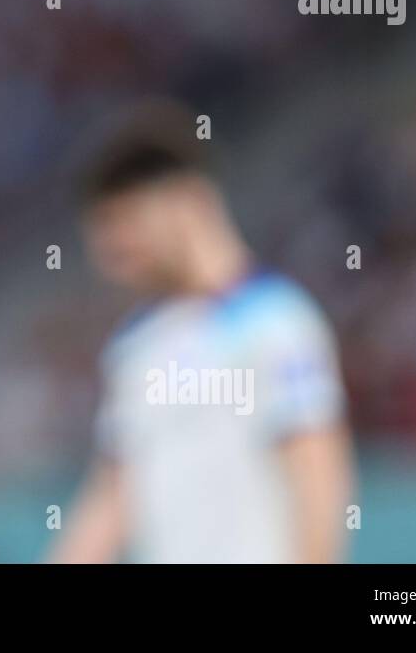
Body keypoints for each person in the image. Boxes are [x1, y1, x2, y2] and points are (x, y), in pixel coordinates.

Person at [49, 106, 354, 563]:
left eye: (123, 222)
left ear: (188, 200)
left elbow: (318, 480)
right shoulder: (136, 346)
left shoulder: (277, 322)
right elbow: (112, 497)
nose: (110, 253)